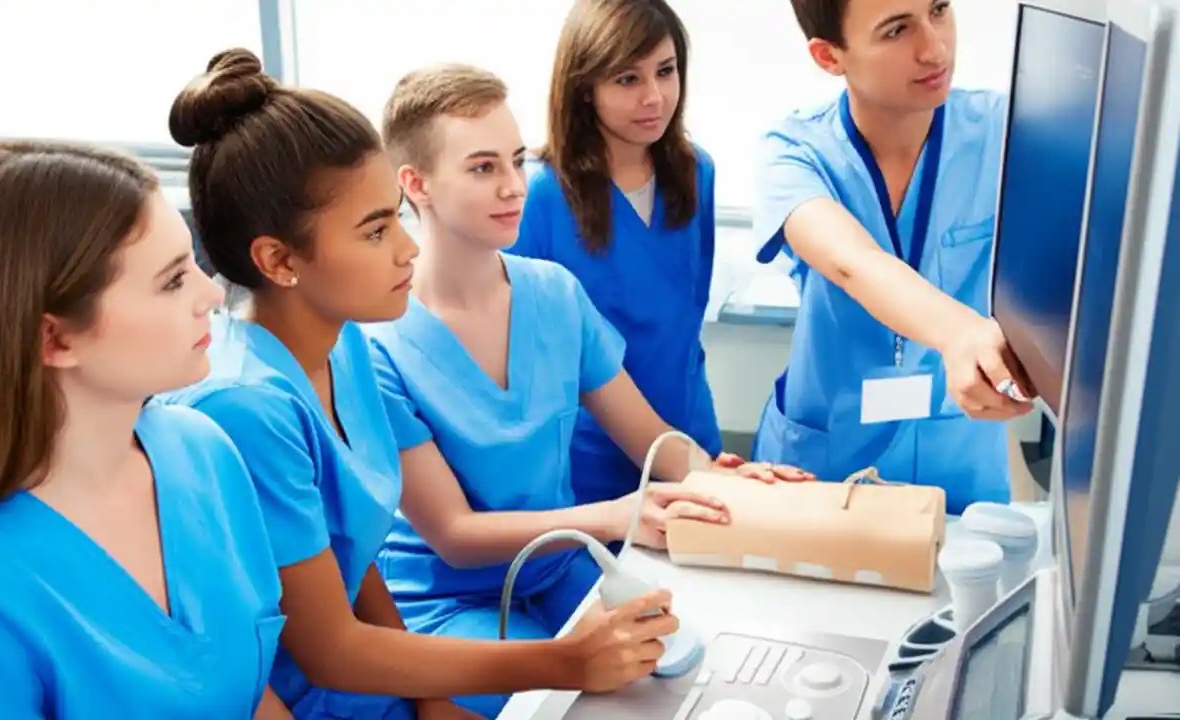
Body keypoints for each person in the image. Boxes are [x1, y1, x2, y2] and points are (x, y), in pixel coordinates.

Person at [161, 49, 682, 720]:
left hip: (378, 664)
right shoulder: (246, 407)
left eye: (395, 219)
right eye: (377, 230)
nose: (407, 248)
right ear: (280, 260)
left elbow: (353, 560)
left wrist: (432, 700)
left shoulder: (342, 343)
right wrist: (561, 661)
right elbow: (329, 650)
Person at [369, 63, 809, 718]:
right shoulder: (378, 343)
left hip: (560, 568)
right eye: (483, 168)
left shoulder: (553, 293)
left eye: (517, 161)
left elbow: (650, 438)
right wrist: (615, 515)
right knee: (570, 706)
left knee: (684, 673)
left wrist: (723, 481)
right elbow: (456, 535)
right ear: (416, 184)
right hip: (448, 600)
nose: (514, 186)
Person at [0, 141, 288, 718]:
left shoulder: (204, 452)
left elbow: (252, 699)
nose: (211, 293)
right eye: (173, 280)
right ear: (54, 339)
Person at [509, 0, 809, 506]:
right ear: (586, 88)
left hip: (692, 440)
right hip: (587, 469)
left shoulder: (696, 173)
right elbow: (523, 356)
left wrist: (701, 460)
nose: (654, 97)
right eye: (627, 79)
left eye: (665, 72)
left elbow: (685, 317)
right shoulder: (539, 195)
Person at [749, 0, 1035, 514]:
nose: (934, 47)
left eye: (940, 10)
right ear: (829, 56)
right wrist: (958, 332)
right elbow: (851, 261)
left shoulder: (1008, 132)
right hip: (825, 465)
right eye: (897, 30)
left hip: (958, 460)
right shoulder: (795, 152)